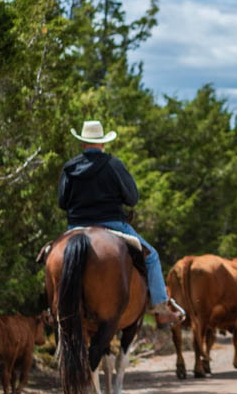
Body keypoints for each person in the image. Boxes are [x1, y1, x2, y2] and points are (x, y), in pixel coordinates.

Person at [57, 120, 183, 324]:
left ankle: (51, 307)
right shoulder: (114, 165)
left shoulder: (69, 168)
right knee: (152, 257)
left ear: (82, 144)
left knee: (50, 257)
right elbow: (132, 198)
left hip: (76, 227)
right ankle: (161, 306)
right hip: (112, 224)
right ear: (103, 144)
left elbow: (62, 202)